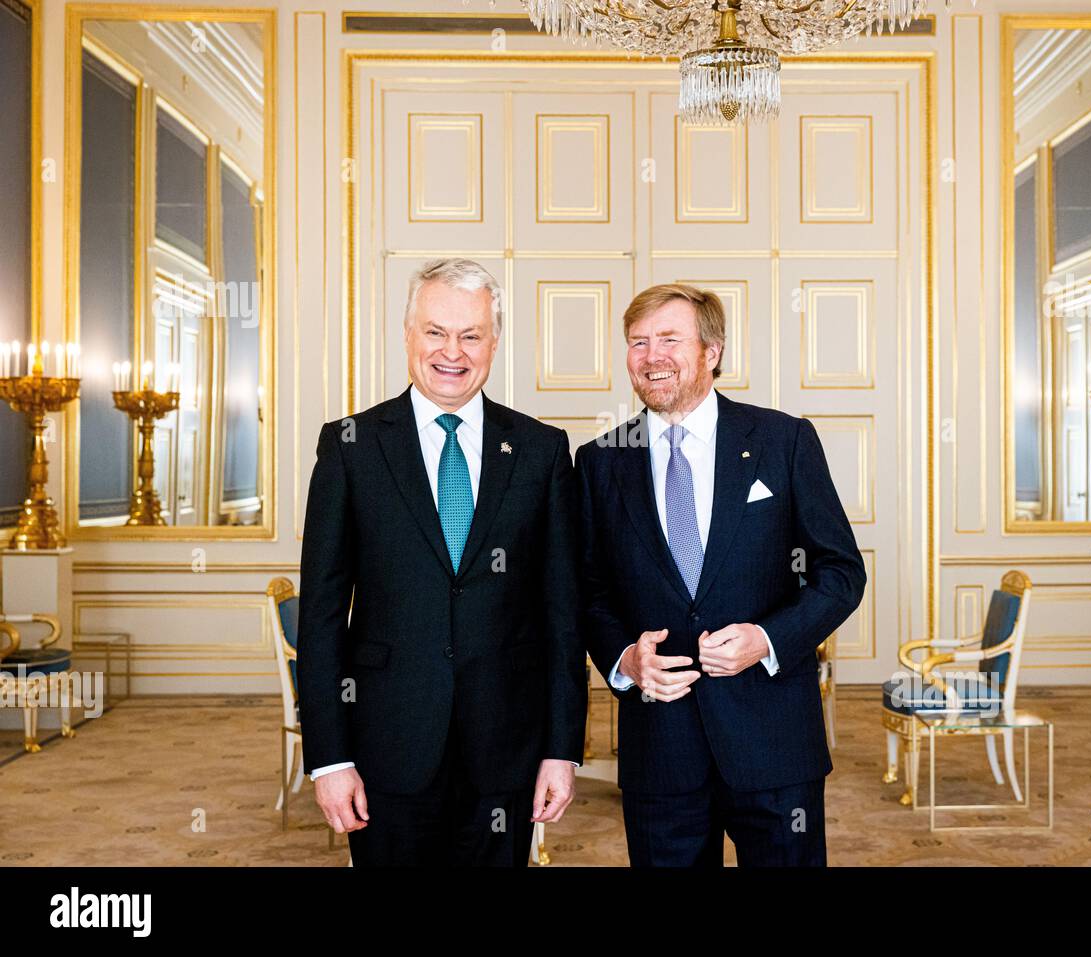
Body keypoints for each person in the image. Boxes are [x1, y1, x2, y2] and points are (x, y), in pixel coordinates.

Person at [297, 258, 586, 866]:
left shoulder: (540, 450)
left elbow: (563, 614)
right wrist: (329, 758)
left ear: (494, 342)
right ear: (408, 335)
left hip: (506, 750)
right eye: (435, 331)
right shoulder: (350, 446)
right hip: (385, 746)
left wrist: (563, 748)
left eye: (470, 334)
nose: (451, 351)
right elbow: (320, 618)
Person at [576, 283, 866, 866]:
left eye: (669, 339)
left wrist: (767, 639)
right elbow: (588, 593)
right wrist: (625, 660)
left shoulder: (783, 441)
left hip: (774, 742)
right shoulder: (598, 460)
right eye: (638, 342)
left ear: (711, 350)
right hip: (660, 749)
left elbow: (840, 572)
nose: (651, 355)